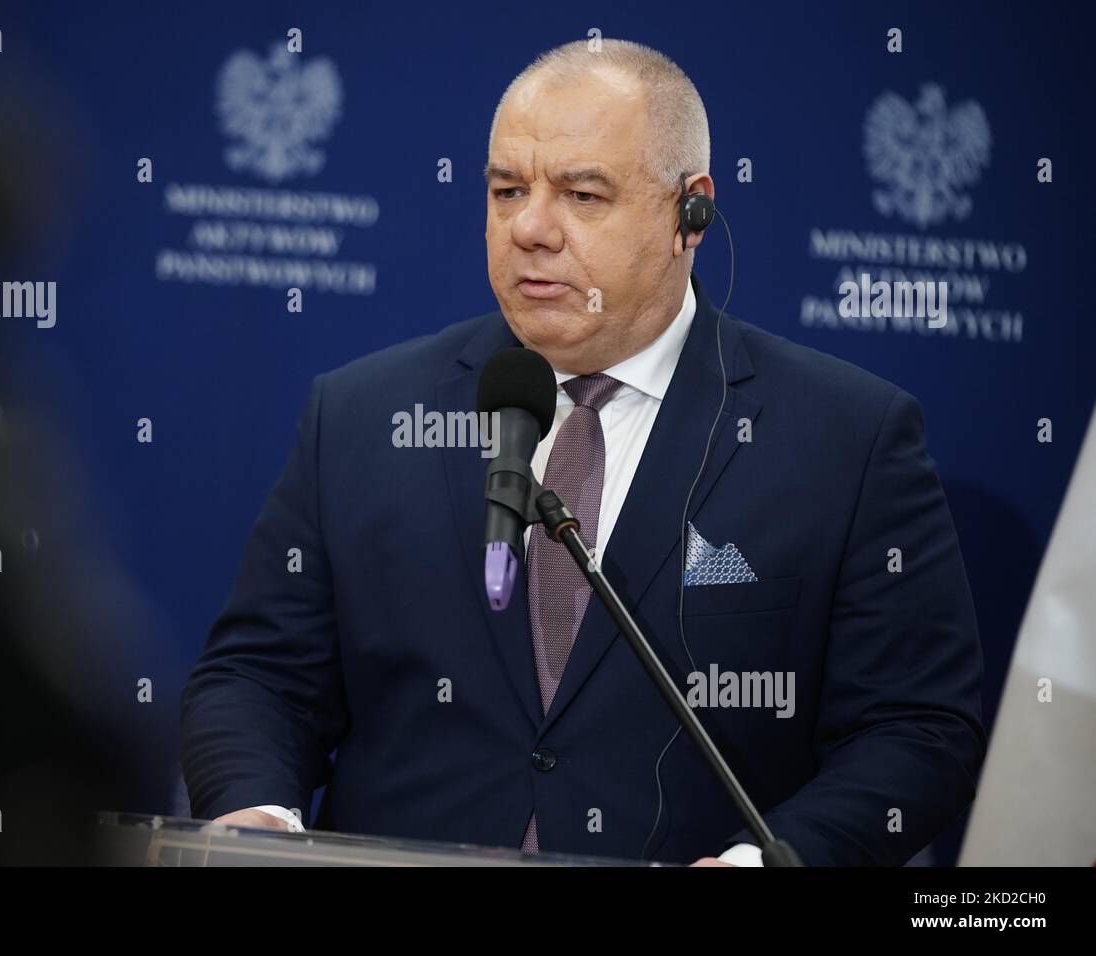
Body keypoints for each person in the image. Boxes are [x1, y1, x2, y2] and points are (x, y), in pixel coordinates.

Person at [181, 39, 985, 866]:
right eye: (506, 190)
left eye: (582, 193)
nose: (529, 228)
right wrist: (261, 816)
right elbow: (257, 677)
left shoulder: (845, 437)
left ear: (689, 212)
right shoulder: (362, 414)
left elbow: (917, 729)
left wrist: (762, 861)